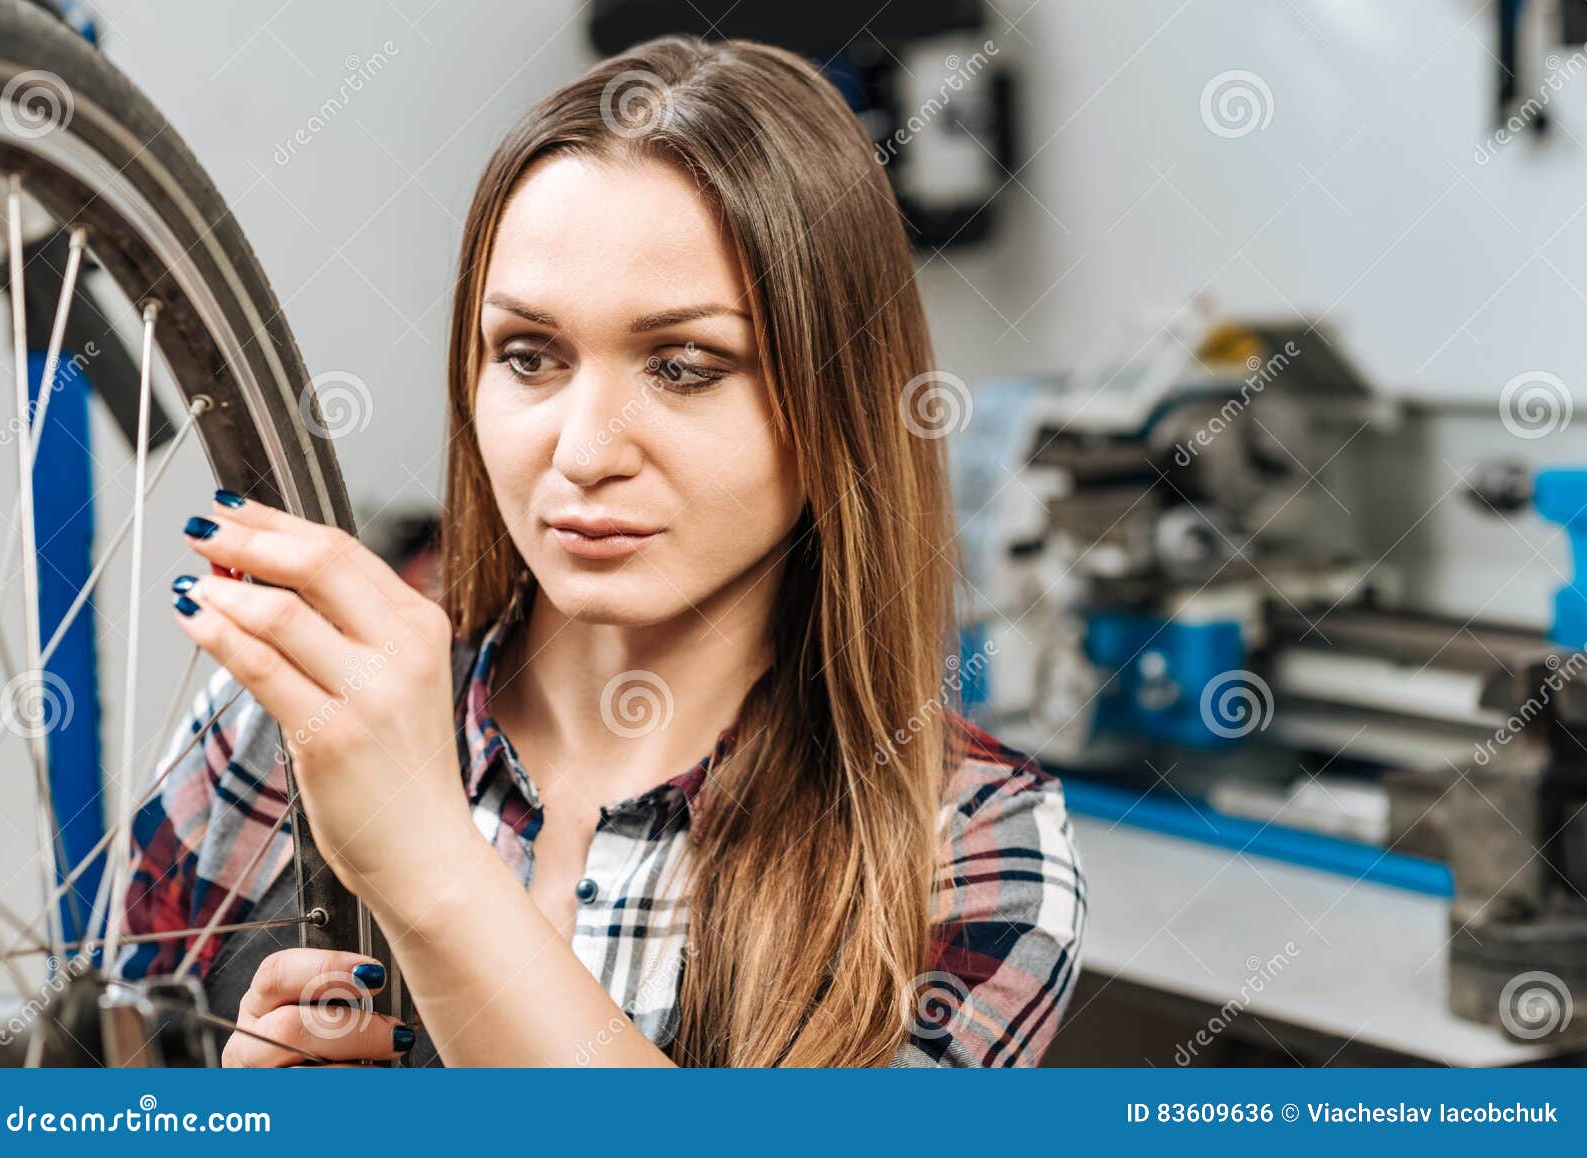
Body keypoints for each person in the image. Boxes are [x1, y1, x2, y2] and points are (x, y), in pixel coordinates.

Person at [121, 34, 1085, 1068]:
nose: (580, 453)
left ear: (836, 404)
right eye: (528, 356)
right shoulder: (292, 711)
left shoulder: (974, 842)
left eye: (683, 367)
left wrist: (425, 863)